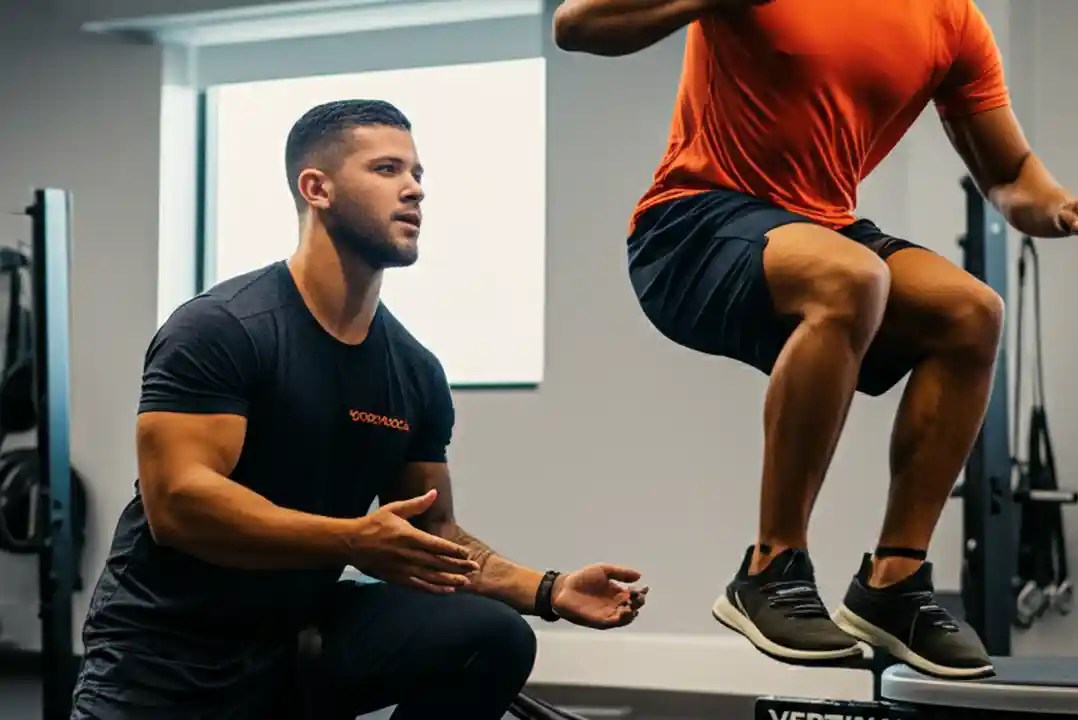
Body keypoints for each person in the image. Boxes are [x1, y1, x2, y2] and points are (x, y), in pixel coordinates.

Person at [551, 0, 1078, 679]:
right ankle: (770, 570)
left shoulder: (951, 20)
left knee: (971, 311)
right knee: (852, 276)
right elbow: (577, 24)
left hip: (819, 231)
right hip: (688, 227)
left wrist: (1062, 207)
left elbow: (1009, 175)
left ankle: (893, 584)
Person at [70, 99, 649, 719]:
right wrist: (352, 540)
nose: (414, 191)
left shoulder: (413, 369)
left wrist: (548, 589)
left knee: (492, 635)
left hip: (299, 639)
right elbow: (179, 505)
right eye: (387, 170)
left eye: (418, 175)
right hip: (165, 653)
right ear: (316, 188)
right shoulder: (222, 328)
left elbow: (432, 537)